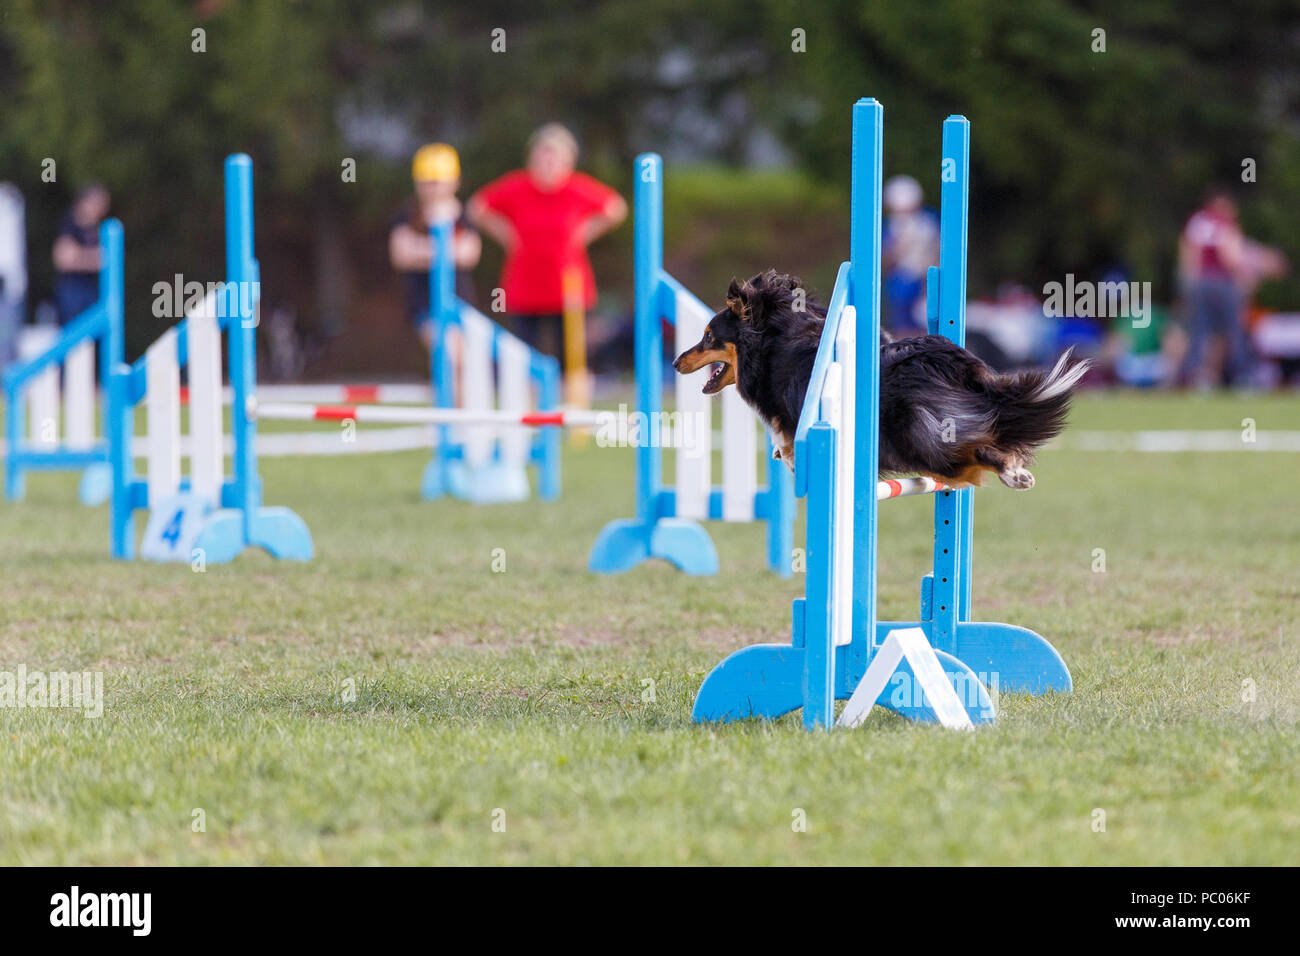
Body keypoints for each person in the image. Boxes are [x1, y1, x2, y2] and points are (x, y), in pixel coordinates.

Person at [467, 123, 627, 359]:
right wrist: (504, 232)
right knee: (523, 355)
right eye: (542, 157)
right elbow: (476, 207)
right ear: (531, 159)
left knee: (572, 357)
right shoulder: (516, 186)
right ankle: (528, 394)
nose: (548, 165)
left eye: (555, 159)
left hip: (568, 284)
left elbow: (616, 208)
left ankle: (571, 394)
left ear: (568, 162)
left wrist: (587, 231)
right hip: (525, 284)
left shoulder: (578, 188)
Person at [388, 143, 481, 349]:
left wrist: (422, 249)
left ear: (454, 182)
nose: (433, 189)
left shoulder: (462, 216)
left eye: (438, 182)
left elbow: (470, 255)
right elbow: (401, 256)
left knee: (461, 356)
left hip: (461, 303)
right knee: (446, 348)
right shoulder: (407, 214)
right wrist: (446, 250)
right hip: (423, 303)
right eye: (428, 182)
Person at [1177, 188, 1247, 388]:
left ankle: (1197, 377)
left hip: (1200, 282)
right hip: (1222, 281)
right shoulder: (1225, 223)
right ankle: (1241, 376)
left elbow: (1189, 253)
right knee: (1233, 329)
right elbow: (1231, 256)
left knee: (1200, 330)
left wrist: (1189, 282)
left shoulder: (1198, 221)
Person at [881, 174, 939, 335]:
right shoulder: (888, 226)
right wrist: (895, 250)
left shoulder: (930, 221)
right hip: (901, 283)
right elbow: (885, 260)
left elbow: (939, 250)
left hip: (926, 281)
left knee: (927, 325)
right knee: (903, 327)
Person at [52, 182, 110, 326]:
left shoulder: (94, 228)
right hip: (71, 293)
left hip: (89, 291)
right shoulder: (70, 224)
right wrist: (95, 258)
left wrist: (81, 256)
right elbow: (63, 258)